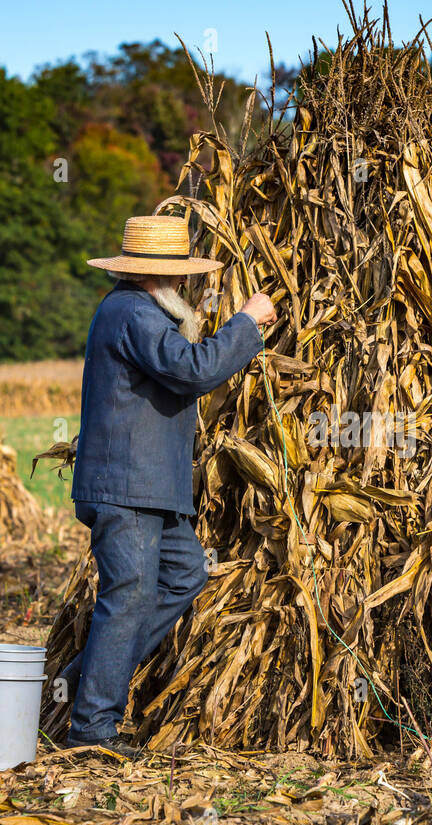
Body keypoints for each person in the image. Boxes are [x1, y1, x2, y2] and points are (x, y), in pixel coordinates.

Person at [60, 214, 276, 755]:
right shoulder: (133, 314)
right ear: (154, 276)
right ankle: (91, 728)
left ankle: (80, 679)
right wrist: (246, 324)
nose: (185, 283)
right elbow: (194, 369)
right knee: (129, 594)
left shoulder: (133, 311)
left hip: (150, 489)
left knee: (184, 575)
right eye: (178, 275)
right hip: (128, 489)